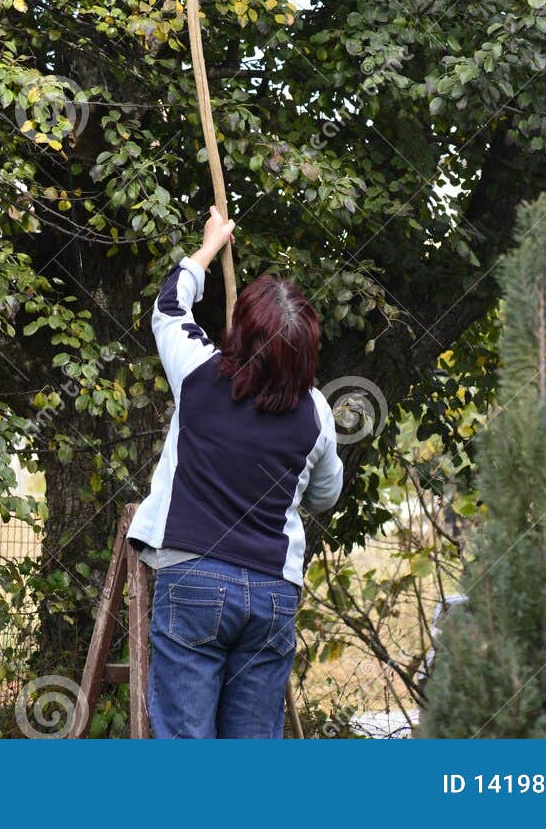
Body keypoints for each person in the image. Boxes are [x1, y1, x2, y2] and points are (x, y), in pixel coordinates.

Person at [128, 205, 344, 739]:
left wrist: (207, 247)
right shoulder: (316, 411)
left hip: (193, 577)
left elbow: (169, 306)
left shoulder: (198, 370)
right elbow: (325, 494)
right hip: (272, 592)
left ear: (239, 330)